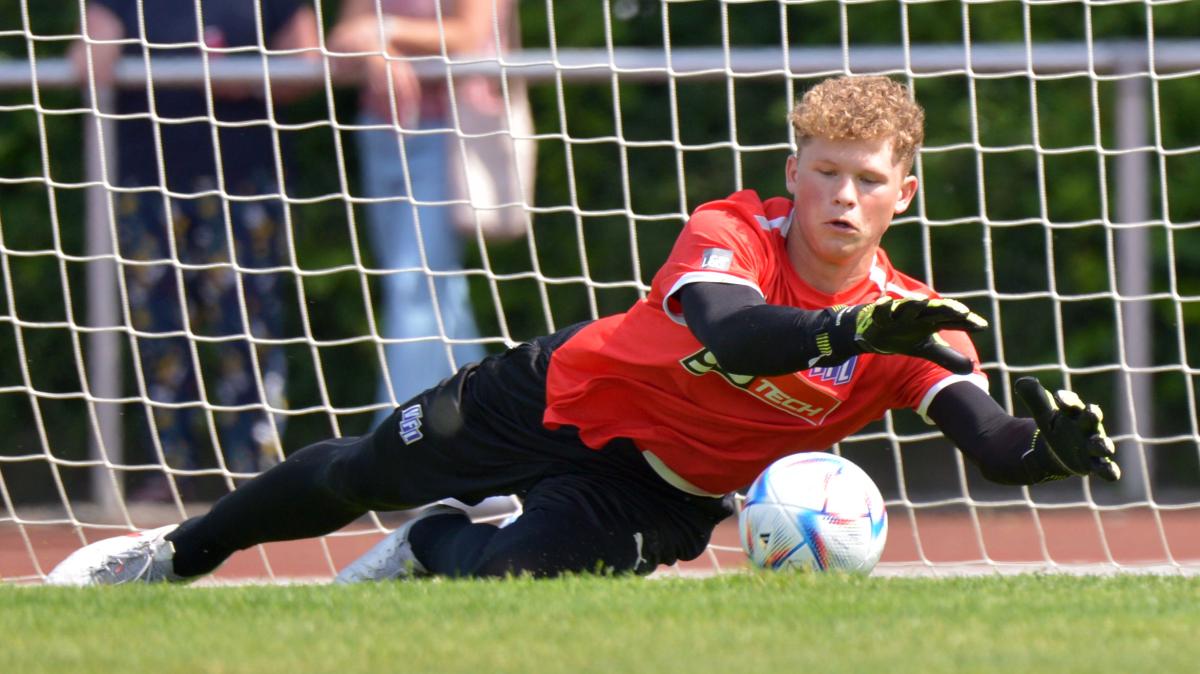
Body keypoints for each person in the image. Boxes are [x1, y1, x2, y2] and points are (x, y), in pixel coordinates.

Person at [46, 75, 1119, 585]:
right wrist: (851, 324)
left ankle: (435, 542)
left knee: (507, 577)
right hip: (562, 391)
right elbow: (734, 334)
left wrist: (1045, 453)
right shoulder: (732, 228)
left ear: (905, 194)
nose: (842, 195)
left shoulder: (913, 318)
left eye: (867, 181)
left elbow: (986, 432)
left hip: (658, 490)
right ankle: (172, 556)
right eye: (824, 172)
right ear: (793, 173)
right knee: (365, 466)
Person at [71, 1, 319, 489]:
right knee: (160, 331)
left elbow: (306, 68)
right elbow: (88, 58)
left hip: (245, 175)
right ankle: (170, 470)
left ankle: (257, 472)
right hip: (150, 178)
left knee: (249, 328)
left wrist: (243, 77)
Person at [328, 0, 519, 414]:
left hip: (448, 133)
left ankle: (396, 448)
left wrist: (384, 33)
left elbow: (468, 35)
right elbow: (342, 40)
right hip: (382, 132)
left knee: (416, 288)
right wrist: (380, 53)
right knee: (433, 295)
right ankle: (481, 426)